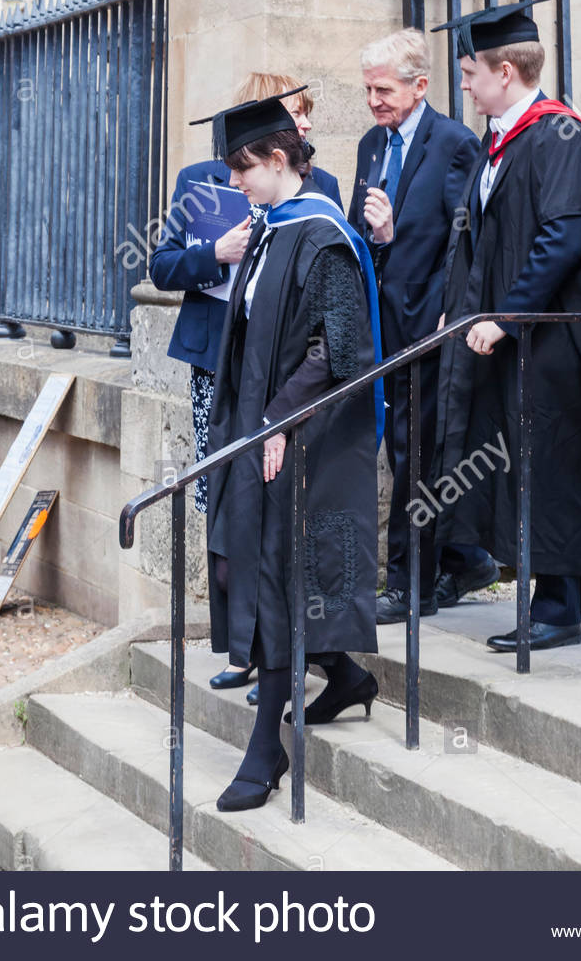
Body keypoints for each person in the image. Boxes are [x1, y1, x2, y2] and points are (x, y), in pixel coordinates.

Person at [428, 0, 581, 651]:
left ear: (505, 71)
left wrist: (505, 316)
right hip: (526, 339)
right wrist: (466, 302)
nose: (465, 86)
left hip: (562, 340)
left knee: (552, 467)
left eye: (470, 73)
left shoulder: (558, 135)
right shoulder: (500, 143)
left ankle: (556, 605)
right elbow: (486, 239)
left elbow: (561, 237)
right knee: (545, 466)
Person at [201, 91, 383, 811]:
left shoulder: (323, 235)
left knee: (277, 576)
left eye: (243, 168)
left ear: (279, 160)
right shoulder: (270, 227)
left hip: (303, 435)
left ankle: (265, 748)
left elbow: (341, 349)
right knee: (233, 557)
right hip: (254, 426)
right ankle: (344, 674)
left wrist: (278, 420)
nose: (234, 182)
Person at [150, 74, 341, 695]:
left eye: (301, 114)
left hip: (288, 375)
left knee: (283, 508)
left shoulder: (321, 190)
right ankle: (241, 646)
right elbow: (160, 266)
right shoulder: (202, 185)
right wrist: (216, 256)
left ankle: (302, 646)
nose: (302, 123)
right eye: (292, 112)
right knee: (224, 499)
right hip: (221, 367)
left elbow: (339, 295)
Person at [347, 29, 494, 624]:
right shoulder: (370, 145)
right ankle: (465, 559)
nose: (374, 101)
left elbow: (466, 241)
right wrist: (380, 241)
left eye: (383, 89)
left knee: (417, 453)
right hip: (382, 326)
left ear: (420, 86)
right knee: (404, 447)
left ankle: (412, 585)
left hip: (431, 325)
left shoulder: (455, 143)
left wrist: (448, 311)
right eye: (368, 90)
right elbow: (372, 240)